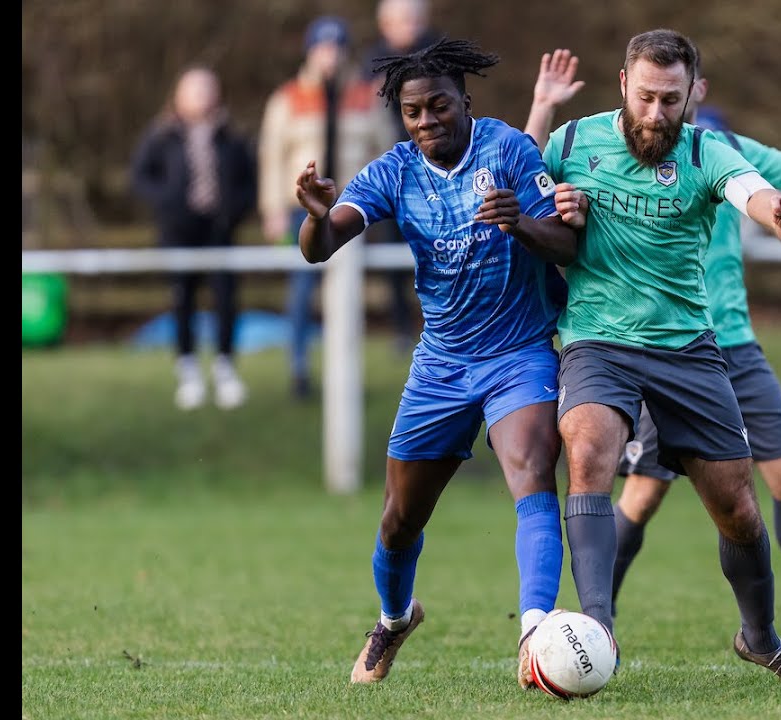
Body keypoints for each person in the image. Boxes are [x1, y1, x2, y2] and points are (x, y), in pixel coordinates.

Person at [524, 46, 781, 648]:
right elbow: (518, 174)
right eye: (646, 96)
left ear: (695, 92)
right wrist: (558, 199)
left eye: (671, 99)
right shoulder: (574, 142)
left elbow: (766, 196)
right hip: (599, 341)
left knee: (745, 501)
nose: (657, 111)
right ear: (623, 84)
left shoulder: (713, 149)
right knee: (593, 457)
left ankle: (771, 632)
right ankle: (596, 629)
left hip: (701, 348)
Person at [291, 38, 580, 688]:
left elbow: (566, 243)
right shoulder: (395, 169)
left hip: (519, 352)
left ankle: (535, 631)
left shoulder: (508, 150)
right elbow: (322, 245)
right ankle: (395, 618)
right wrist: (314, 219)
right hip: (441, 367)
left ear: (464, 101)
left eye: (438, 107)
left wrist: (522, 224)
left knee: (533, 473)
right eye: (414, 112)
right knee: (399, 520)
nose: (426, 122)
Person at [259, 15, 396, 400]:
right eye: (322, 48)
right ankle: (299, 369)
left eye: (336, 48)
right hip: (298, 209)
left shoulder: (365, 96)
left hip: (352, 208)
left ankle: (346, 372)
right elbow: (272, 157)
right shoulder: (288, 98)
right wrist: (271, 209)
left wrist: (384, 200)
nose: (330, 56)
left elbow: (384, 151)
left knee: (349, 292)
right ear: (310, 51)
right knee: (301, 291)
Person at [131, 65, 255, 411]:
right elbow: (140, 177)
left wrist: (235, 209)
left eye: (207, 89)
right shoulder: (161, 135)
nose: (202, 97)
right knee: (182, 299)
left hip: (221, 231)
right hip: (179, 233)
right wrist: (169, 204)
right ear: (179, 95)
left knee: (226, 298)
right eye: (194, 90)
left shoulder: (232, 135)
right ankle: (188, 371)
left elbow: (249, 179)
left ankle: (226, 370)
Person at [361, 0, 443, 353]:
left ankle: (440, 321)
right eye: (400, 20)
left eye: (413, 19)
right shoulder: (371, 63)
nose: (408, 26)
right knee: (392, 249)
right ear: (385, 24)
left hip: (436, 164)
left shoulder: (439, 52)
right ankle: (400, 327)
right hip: (393, 167)